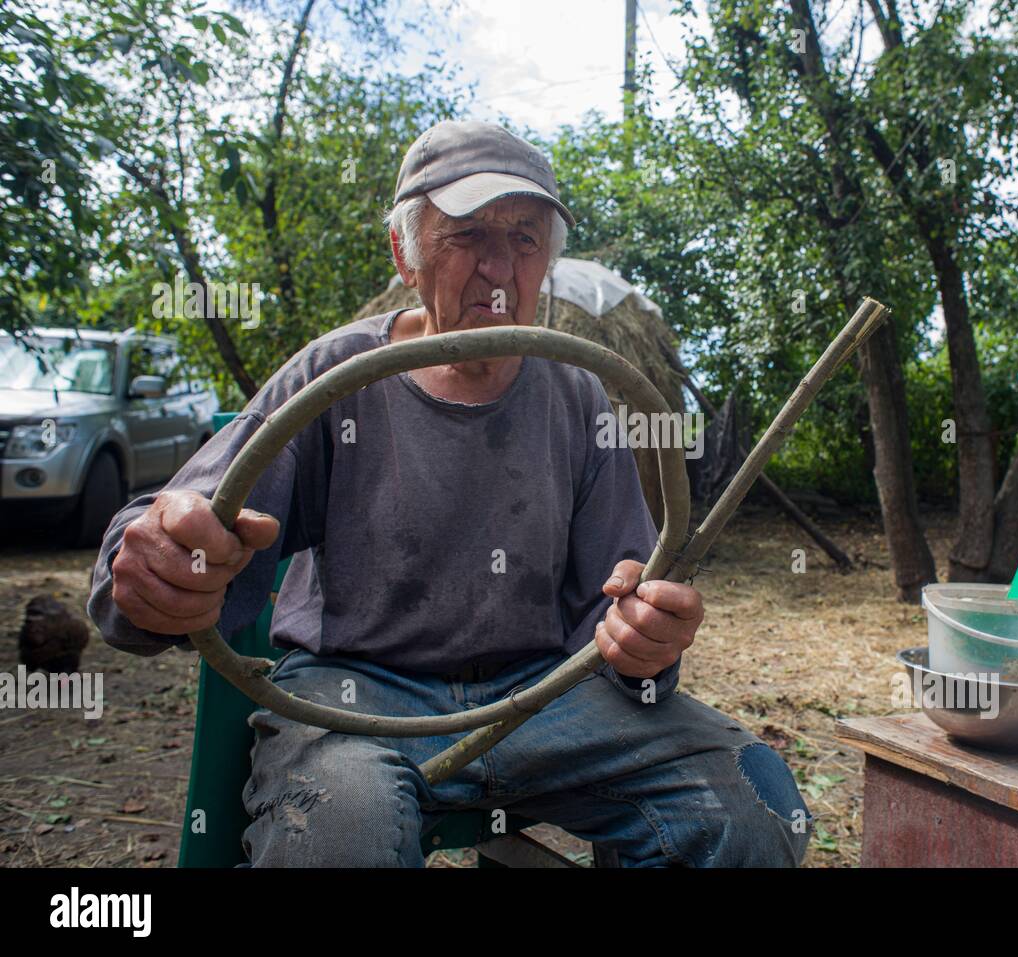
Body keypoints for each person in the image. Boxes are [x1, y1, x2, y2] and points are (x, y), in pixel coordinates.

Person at [88, 119, 811, 867]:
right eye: (466, 234)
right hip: (353, 698)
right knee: (342, 837)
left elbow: (621, 599)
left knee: (757, 812)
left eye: (525, 238)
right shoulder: (333, 375)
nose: (499, 266)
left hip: (545, 698)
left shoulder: (578, 394)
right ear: (405, 251)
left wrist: (646, 641)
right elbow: (158, 541)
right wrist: (150, 568)